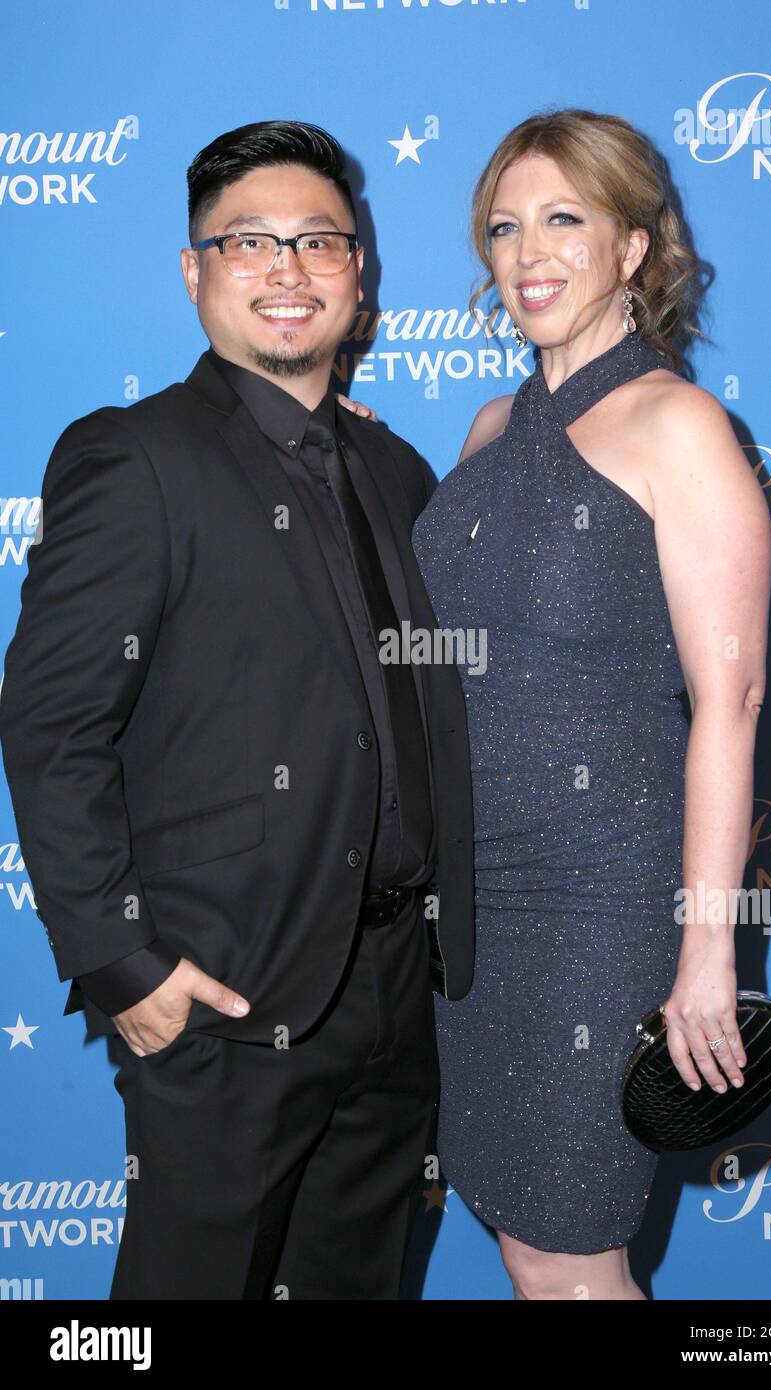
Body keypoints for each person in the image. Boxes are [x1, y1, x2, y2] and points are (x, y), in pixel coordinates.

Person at [0, 119, 475, 1300]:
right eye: (247, 240)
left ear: (358, 275)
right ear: (193, 270)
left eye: (318, 240)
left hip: (392, 993)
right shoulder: (133, 457)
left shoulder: (395, 469)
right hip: (224, 988)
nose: (286, 267)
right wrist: (120, 964)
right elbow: (49, 723)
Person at [411, 109, 771, 1301]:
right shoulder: (485, 430)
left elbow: (732, 700)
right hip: (472, 904)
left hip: (601, 903)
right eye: (503, 226)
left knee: (569, 1254)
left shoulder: (679, 427)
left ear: (631, 247)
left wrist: (704, 949)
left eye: (563, 217)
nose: (526, 251)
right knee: (522, 1237)